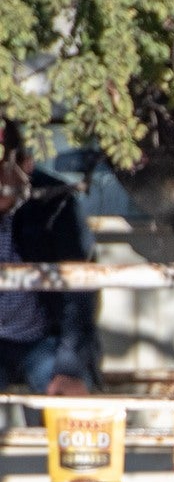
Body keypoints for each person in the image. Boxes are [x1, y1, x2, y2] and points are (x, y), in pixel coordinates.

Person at [0, 120, 97, 396]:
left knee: (66, 409)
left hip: (45, 340)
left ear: (26, 165)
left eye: (2, 169)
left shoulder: (55, 202)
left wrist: (69, 367)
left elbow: (79, 294)